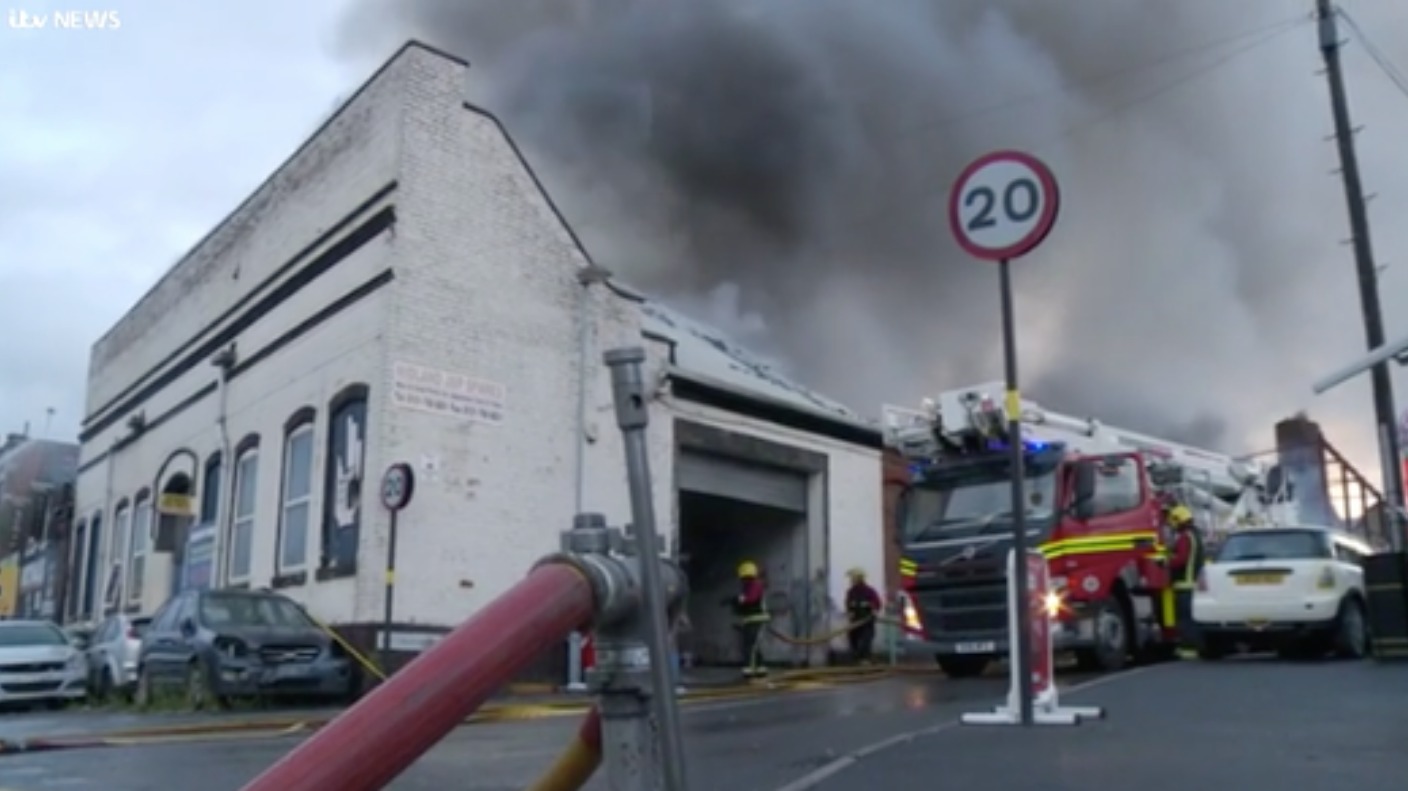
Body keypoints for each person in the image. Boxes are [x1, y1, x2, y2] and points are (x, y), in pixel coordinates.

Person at [1167, 504, 1206, 660]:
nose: (1173, 525)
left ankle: (1188, 649)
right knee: (1192, 619)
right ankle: (1195, 647)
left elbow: (1180, 560)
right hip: (1193, 584)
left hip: (1184, 585)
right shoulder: (1195, 535)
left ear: (1179, 520)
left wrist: (1166, 562)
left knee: (1185, 620)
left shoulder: (1184, 537)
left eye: (1173, 522)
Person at [729, 560, 769, 678]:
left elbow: (750, 599)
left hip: (756, 619)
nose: (744, 580)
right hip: (751, 619)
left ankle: (749, 669)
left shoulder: (754, 585)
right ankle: (760, 668)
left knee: (750, 645)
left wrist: (738, 600)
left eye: (745, 577)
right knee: (753, 645)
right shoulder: (749, 586)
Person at [844, 568, 882, 664]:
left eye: (853, 578)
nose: (851, 580)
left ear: (859, 578)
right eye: (851, 578)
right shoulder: (851, 592)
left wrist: (873, 608)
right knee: (853, 640)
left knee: (865, 642)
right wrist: (849, 612)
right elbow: (848, 605)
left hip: (867, 622)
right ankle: (857, 661)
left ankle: (865, 660)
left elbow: (877, 603)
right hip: (855, 623)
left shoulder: (869, 591)